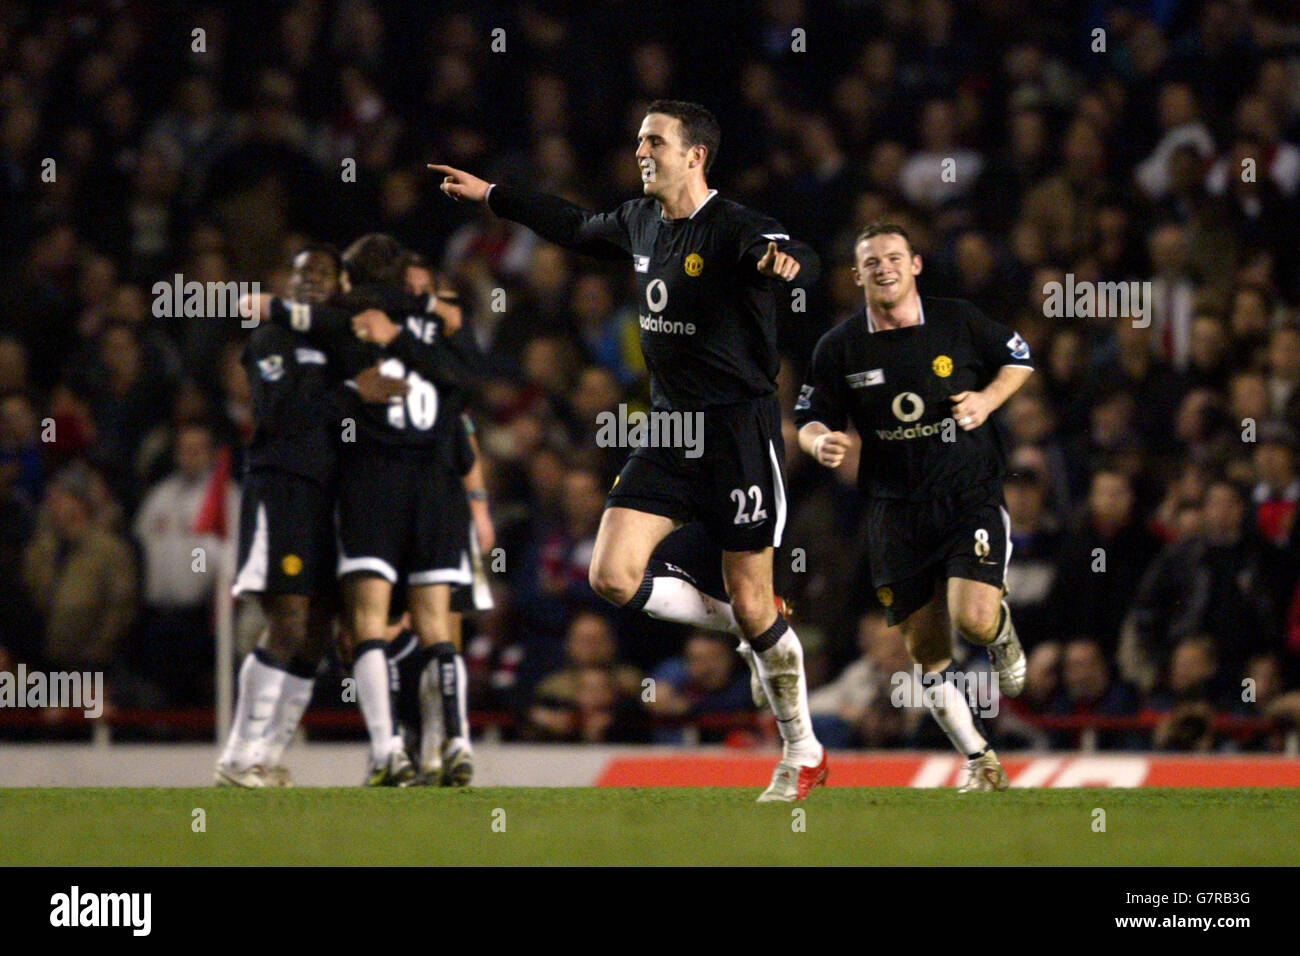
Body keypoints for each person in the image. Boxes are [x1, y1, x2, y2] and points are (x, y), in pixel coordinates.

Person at [431, 99, 827, 800]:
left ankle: (802, 750)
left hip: (738, 433)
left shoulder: (737, 228)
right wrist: (496, 196)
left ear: (694, 154)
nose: (641, 150)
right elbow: (574, 225)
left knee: (753, 595)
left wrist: (789, 263)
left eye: (654, 141)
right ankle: (749, 614)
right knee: (611, 577)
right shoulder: (640, 221)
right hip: (672, 430)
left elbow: (799, 254)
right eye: (639, 138)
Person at [794, 222, 1033, 792]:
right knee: (925, 653)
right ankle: (980, 761)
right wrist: (817, 441)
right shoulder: (840, 346)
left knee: (972, 619)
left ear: (915, 265)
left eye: (894, 257)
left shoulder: (958, 320)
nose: (884, 268)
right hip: (895, 511)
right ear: (858, 275)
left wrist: (987, 398)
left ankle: (1000, 636)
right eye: (871, 261)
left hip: (967, 494)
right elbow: (809, 415)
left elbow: (1019, 356)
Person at [217, 245, 407, 787]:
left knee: (317, 630)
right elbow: (280, 416)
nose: (313, 282)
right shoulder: (271, 340)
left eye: (323, 275)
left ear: (338, 287)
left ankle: (269, 756)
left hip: (328, 499)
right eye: (304, 275)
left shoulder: (339, 343)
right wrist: (351, 395)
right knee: (288, 620)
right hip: (282, 488)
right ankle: (237, 754)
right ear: (291, 283)